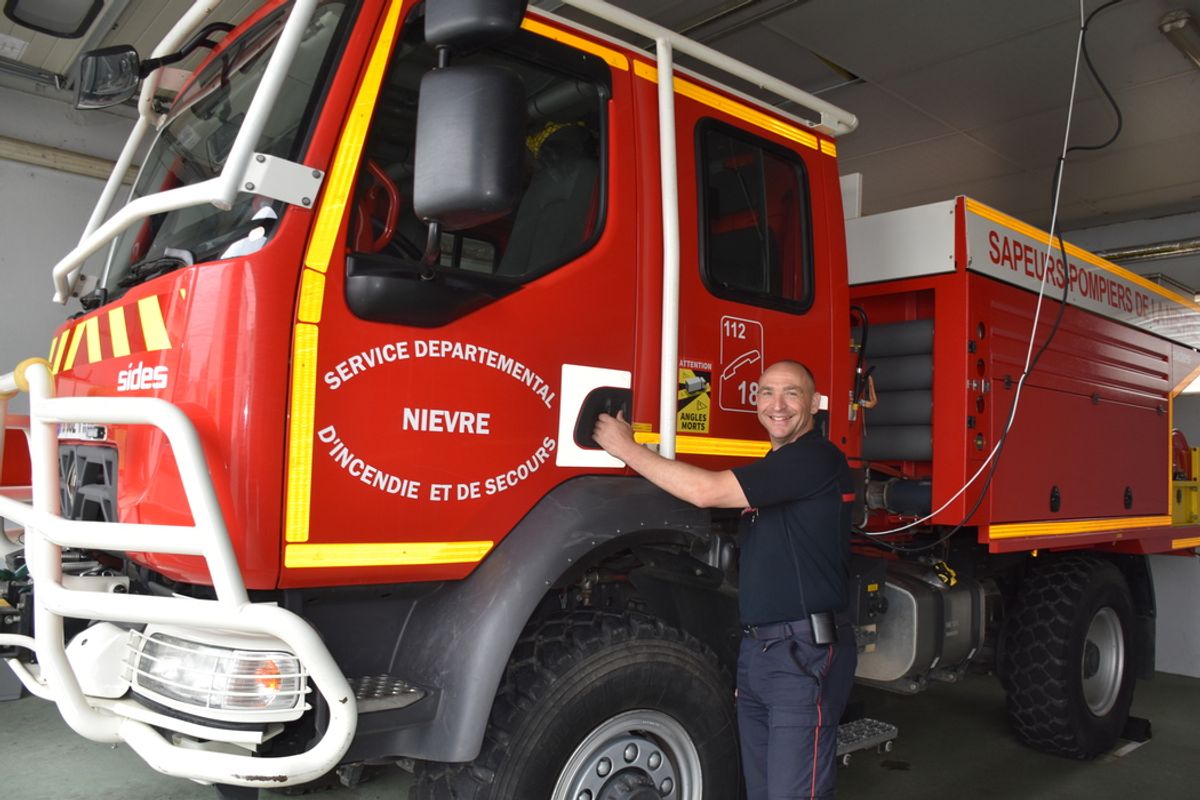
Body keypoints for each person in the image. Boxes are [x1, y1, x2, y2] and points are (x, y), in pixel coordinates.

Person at [593, 360, 856, 800]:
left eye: (791, 393)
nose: (777, 404)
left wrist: (627, 448)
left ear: (814, 403)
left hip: (801, 655)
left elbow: (706, 491)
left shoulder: (815, 458)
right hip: (762, 655)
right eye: (766, 392)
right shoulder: (774, 467)